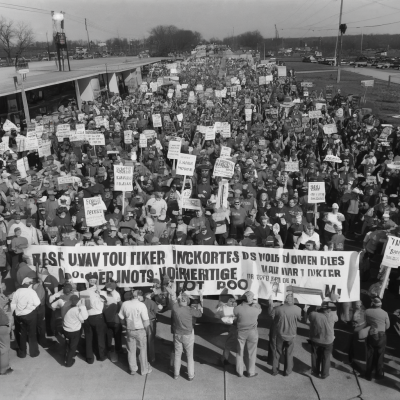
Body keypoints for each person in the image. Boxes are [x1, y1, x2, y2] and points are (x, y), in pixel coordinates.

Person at [167, 285, 202, 381]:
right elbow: (200, 314)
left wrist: (173, 294)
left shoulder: (175, 308)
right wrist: (200, 302)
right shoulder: (190, 310)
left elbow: (173, 300)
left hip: (177, 334)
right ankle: (190, 375)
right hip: (188, 334)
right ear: (188, 301)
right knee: (189, 356)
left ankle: (176, 374)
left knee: (177, 354)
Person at [118, 289, 152, 376]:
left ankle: (133, 368)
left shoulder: (125, 304)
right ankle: (144, 369)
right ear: (139, 296)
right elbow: (145, 321)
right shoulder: (141, 305)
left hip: (129, 329)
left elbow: (121, 317)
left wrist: (124, 325)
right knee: (142, 350)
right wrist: (147, 331)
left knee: (131, 349)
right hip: (140, 330)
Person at [268, 293, 302, 376]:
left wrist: (270, 305)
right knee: (289, 353)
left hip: (280, 334)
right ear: (293, 300)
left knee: (277, 352)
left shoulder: (278, 309)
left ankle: (275, 370)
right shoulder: (298, 309)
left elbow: (271, 315)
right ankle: (287, 371)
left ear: (285, 300)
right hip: (291, 335)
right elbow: (300, 319)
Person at [307, 300, 338, 379]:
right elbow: (335, 312)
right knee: (326, 357)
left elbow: (308, 319)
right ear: (328, 309)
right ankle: (324, 374)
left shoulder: (314, 315)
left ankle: (315, 372)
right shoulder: (332, 316)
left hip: (316, 339)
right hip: (328, 341)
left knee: (315, 356)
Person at [11, 277, 40, 358]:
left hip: (19, 316)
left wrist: (15, 314)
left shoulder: (17, 291)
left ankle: (22, 353)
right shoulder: (32, 292)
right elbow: (37, 303)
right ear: (29, 284)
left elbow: (13, 304)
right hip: (30, 315)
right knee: (32, 334)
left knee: (21, 334)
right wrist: (30, 307)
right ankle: (34, 352)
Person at [234, 291, 261, 378]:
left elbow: (235, 314)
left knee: (239, 351)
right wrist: (255, 303)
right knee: (252, 352)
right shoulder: (256, 309)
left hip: (241, 332)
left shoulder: (237, 308)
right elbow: (259, 309)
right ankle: (250, 372)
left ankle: (239, 371)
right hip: (252, 332)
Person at [364, 297, 390, 380]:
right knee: (380, 355)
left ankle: (368, 374)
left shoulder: (367, 311)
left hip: (371, 333)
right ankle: (378, 374)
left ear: (373, 304)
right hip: (381, 335)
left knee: (370, 354)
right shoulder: (385, 313)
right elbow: (388, 325)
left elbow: (365, 322)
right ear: (380, 305)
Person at [62, 295, 88, 367]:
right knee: (72, 347)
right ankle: (68, 362)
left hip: (66, 329)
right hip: (73, 331)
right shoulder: (77, 310)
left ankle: (68, 355)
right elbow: (84, 319)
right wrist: (83, 306)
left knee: (68, 343)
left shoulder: (67, 307)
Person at [142, 291, 159, 364]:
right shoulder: (151, 302)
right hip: (150, 321)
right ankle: (151, 358)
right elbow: (157, 311)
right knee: (150, 340)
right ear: (147, 294)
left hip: (142, 321)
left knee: (143, 339)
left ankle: (143, 357)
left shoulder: (140, 302)